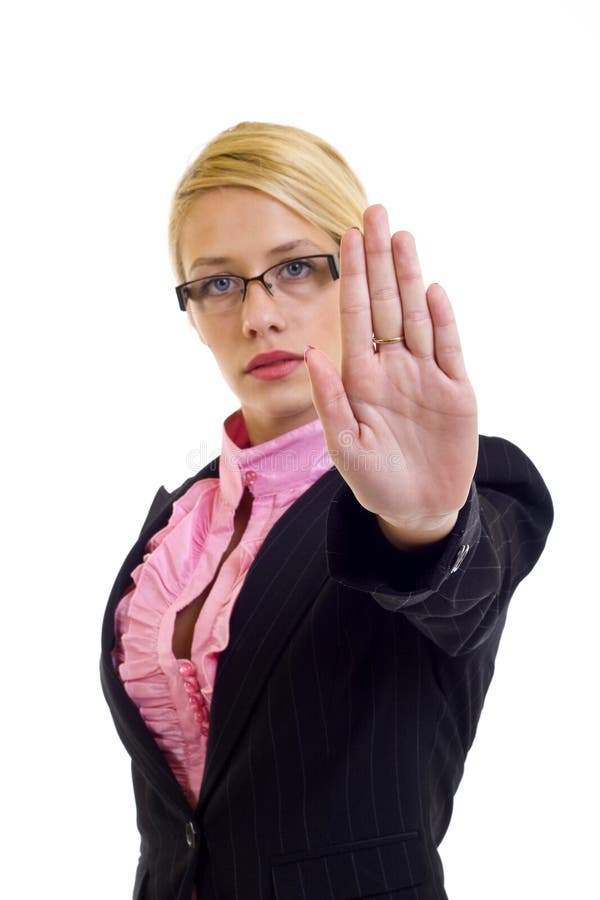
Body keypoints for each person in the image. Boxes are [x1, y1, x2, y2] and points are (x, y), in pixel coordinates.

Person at [100, 121, 553, 900]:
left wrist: (423, 521)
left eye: (297, 268)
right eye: (218, 283)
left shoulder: (453, 491)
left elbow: (460, 583)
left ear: (360, 279)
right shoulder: (180, 524)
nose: (258, 316)